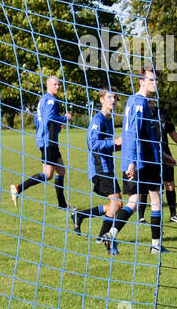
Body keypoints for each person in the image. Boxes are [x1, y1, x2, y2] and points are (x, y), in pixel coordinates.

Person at [106, 67, 172, 254]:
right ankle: (155, 246)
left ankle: (110, 235)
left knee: (133, 202)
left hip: (137, 158)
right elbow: (133, 133)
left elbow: (147, 135)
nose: (155, 83)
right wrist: (133, 162)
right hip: (143, 160)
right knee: (156, 198)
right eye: (151, 80)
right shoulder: (140, 103)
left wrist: (163, 155)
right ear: (141, 81)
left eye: (156, 80)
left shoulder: (135, 101)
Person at [72, 88, 123, 255]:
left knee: (114, 206)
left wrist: (120, 146)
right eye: (109, 97)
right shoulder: (98, 120)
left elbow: (107, 145)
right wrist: (114, 142)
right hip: (100, 167)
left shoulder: (109, 120)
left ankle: (81, 217)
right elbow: (93, 144)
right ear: (101, 99)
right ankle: (101, 236)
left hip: (107, 167)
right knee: (117, 204)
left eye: (115, 97)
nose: (113, 100)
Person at [9, 75, 71, 210]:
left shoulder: (43, 100)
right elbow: (49, 118)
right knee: (47, 175)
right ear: (47, 86)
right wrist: (64, 118)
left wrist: (52, 129)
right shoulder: (51, 100)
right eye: (54, 84)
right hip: (48, 141)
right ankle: (18, 188)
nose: (57, 87)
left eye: (59, 84)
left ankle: (62, 205)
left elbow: (37, 120)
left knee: (61, 171)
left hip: (47, 140)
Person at [160, 107, 177, 223]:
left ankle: (173, 215)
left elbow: (171, 130)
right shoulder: (142, 110)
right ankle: (141, 218)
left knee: (170, 183)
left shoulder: (162, 111)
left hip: (165, 151)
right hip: (149, 152)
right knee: (148, 187)